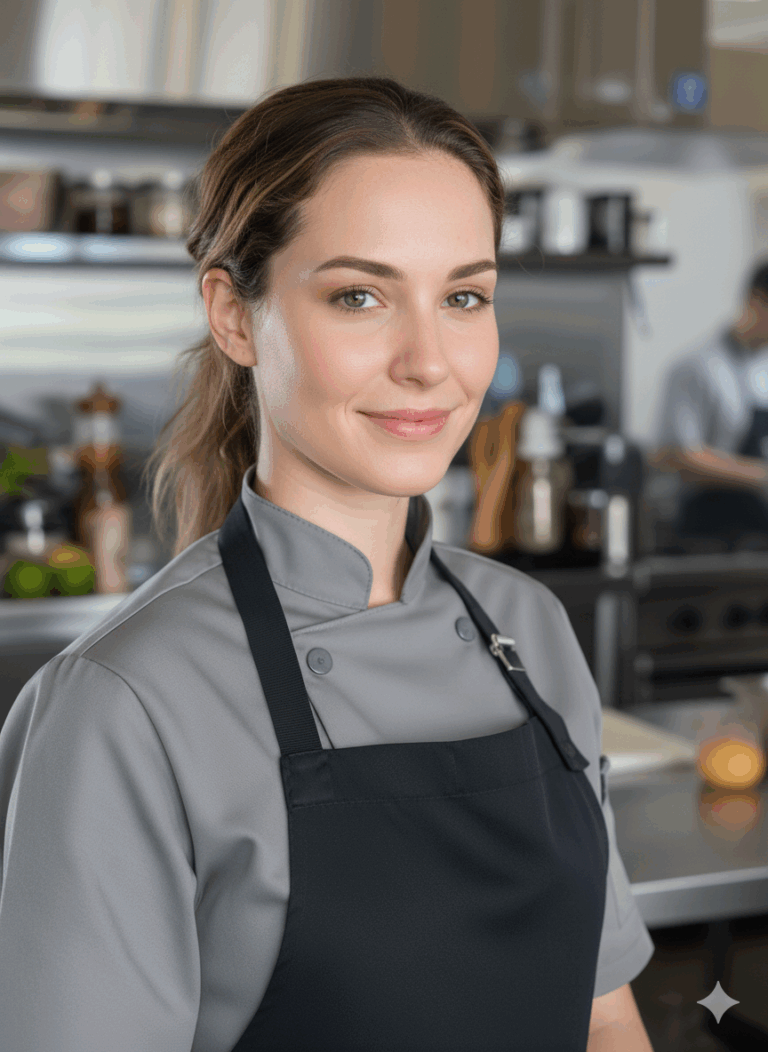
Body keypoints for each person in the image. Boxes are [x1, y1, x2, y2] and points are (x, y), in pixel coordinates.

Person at [0, 76, 654, 1051]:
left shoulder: (526, 626)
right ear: (232, 315)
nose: (430, 360)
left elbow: (603, 1013)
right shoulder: (122, 704)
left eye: (465, 295)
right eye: (360, 295)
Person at [654, 261, 768, 547]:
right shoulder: (696, 368)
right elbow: (678, 456)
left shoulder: (764, 369)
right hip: (707, 535)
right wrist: (761, 475)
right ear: (755, 301)